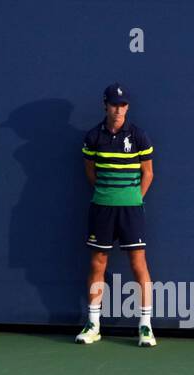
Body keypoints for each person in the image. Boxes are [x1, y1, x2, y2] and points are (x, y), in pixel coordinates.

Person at [76, 83, 156, 346]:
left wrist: (134, 198)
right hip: (102, 208)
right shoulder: (92, 137)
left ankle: (145, 327)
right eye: (114, 105)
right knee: (98, 263)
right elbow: (90, 172)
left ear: (127, 107)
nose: (118, 110)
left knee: (138, 265)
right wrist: (107, 194)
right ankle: (93, 324)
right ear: (105, 106)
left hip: (131, 210)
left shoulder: (139, 136)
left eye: (123, 105)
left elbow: (148, 173)